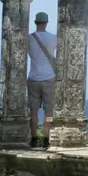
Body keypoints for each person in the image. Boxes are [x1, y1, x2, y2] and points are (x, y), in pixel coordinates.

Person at [27, 12, 58, 149]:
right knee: (49, 111)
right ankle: (46, 138)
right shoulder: (53, 38)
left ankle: (33, 138)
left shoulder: (29, 38)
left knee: (33, 111)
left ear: (35, 22)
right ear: (46, 22)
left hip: (33, 77)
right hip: (49, 77)